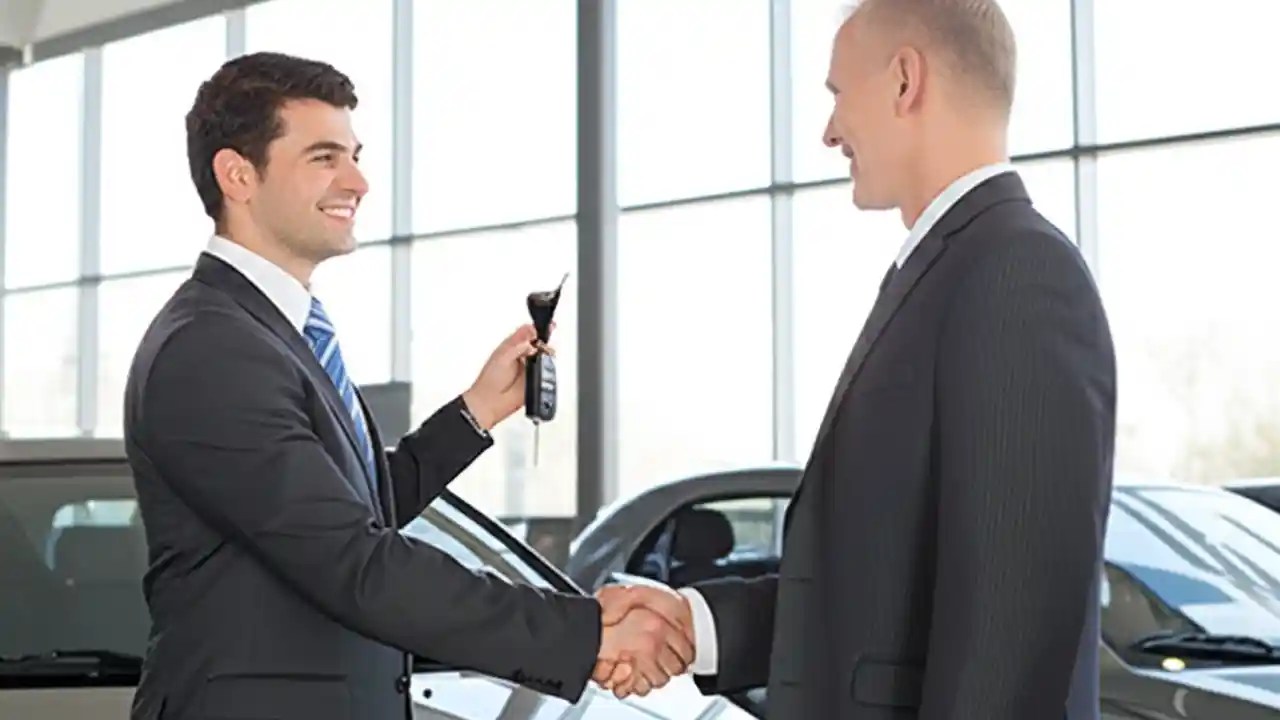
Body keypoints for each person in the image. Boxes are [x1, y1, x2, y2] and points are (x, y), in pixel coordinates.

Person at [123, 51, 690, 720]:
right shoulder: (212, 349)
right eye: (325, 157)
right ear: (238, 174)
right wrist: (584, 631)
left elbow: (354, 510)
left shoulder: (273, 332)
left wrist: (476, 414)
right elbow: (353, 560)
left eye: (355, 155)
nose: (358, 181)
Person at [598, 0, 1117, 717]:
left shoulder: (1016, 276)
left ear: (905, 80)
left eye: (839, 94)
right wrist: (698, 625)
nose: (829, 130)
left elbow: (1014, 644)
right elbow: (884, 599)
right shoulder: (952, 272)